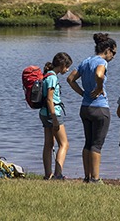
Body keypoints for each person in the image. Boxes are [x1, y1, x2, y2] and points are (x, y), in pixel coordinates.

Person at [67, 32, 117, 184]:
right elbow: (99, 74)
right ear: (107, 50)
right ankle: (96, 179)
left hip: (85, 108)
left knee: (88, 143)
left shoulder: (86, 61)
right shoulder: (102, 62)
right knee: (97, 145)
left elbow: (70, 79)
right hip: (100, 108)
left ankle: (87, 177)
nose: (113, 56)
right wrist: (100, 87)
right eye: (113, 53)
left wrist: (83, 93)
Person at [40, 52, 72, 180]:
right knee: (64, 144)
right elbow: (49, 99)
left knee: (48, 144)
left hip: (43, 113)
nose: (68, 69)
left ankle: (48, 174)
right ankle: (58, 174)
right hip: (53, 113)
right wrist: (54, 117)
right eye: (67, 66)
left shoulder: (46, 75)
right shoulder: (53, 77)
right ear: (62, 65)